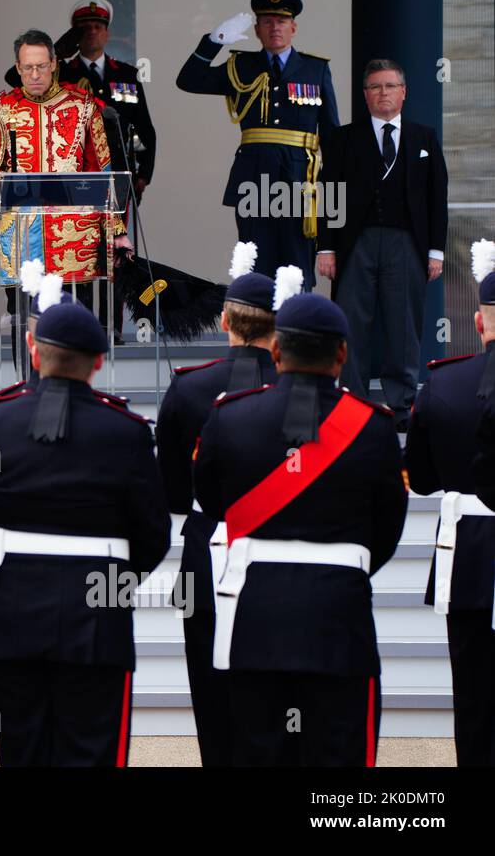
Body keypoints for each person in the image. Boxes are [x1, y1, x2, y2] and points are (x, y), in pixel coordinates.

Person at [194, 289, 407, 766]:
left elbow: (212, 503)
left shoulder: (230, 417)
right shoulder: (373, 427)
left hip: (254, 619)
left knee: (257, 751)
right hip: (339, 617)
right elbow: (386, 530)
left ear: (276, 351)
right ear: (342, 355)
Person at [0, 298, 170, 766]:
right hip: (97, 613)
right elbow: (153, 536)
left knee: (20, 750)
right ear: (98, 362)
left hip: (10, 607)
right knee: (93, 751)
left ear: (34, 352)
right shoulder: (127, 431)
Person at [154, 242, 277, 767]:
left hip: (206, 548)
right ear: (278, 327)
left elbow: (173, 489)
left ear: (224, 319)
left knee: (211, 693)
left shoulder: (187, 390)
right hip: (277, 550)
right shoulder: (301, 393)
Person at [0, 30, 128, 365]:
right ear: (18, 67)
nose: (35, 75)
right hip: (22, 238)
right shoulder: (0, 111)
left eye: (41, 66)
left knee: (72, 316)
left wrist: (117, 229)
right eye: (28, 68)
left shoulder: (84, 108)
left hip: (76, 237)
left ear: (54, 64)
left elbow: (104, 172)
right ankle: (26, 393)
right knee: (22, 318)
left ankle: (76, 391)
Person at [318, 59, 449, 429]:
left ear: (403, 92)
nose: (383, 93)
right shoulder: (343, 138)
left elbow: (436, 198)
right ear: (365, 95)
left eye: (390, 86)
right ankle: (353, 403)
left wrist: (435, 251)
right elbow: (330, 194)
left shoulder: (424, 137)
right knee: (351, 323)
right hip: (354, 243)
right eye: (375, 87)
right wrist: (326, 247)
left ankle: (403, 405)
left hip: (406, 243)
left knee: (403, 325)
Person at [176, 0, 339, 283]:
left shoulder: (316, 69)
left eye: (281, 21)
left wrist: (331, 185)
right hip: (253, 176)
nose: (274, 27)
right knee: (255, 261)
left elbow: (331, 132)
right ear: (256, 30)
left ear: (293, 27)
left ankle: (296, 327)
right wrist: (215, 41)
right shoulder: (240, 65)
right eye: (266, 21)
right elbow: (188, 80)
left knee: (296, 263)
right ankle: (257, 328)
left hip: (299, 179)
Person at [404, 248, 495, 766]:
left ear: (479, 321)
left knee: (475, 693)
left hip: (468, 554)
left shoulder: (442, 382)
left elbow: (421, 480)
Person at [4, 0, 157, 202]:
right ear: (74, 36)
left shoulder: (127, 74)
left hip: (118, 169)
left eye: (97, 26)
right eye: (84, 28)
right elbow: (14, 79)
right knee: (77, 232)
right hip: (74, 171)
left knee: (116, 234)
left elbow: (144, 126)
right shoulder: (60, 72)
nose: (92, 31)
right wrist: (54, 53)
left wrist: (144, 174)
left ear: (107, 33)